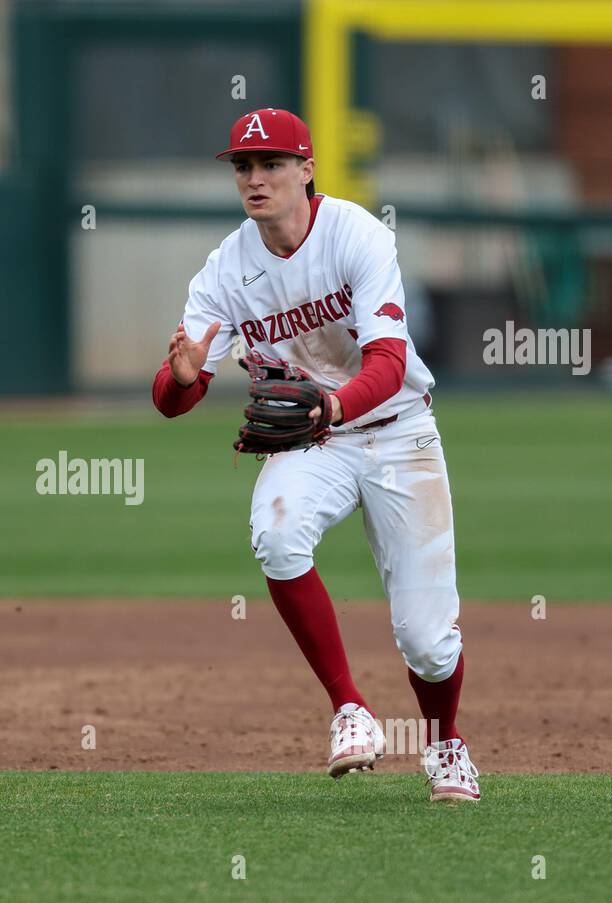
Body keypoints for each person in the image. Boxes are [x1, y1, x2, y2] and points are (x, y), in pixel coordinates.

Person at [152, 108, 480, 802]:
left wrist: (331, 404)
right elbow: (173, 398)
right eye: (243, 166)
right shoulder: (225, 270)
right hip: (315, 441)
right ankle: (350, 709)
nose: (255, 178)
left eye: (271, 163)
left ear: (307, 169)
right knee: (276, 533)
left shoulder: (356, 234)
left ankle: (445, 747)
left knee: (427, 642)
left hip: (397, 429)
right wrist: (181, 379)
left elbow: (389, 362)